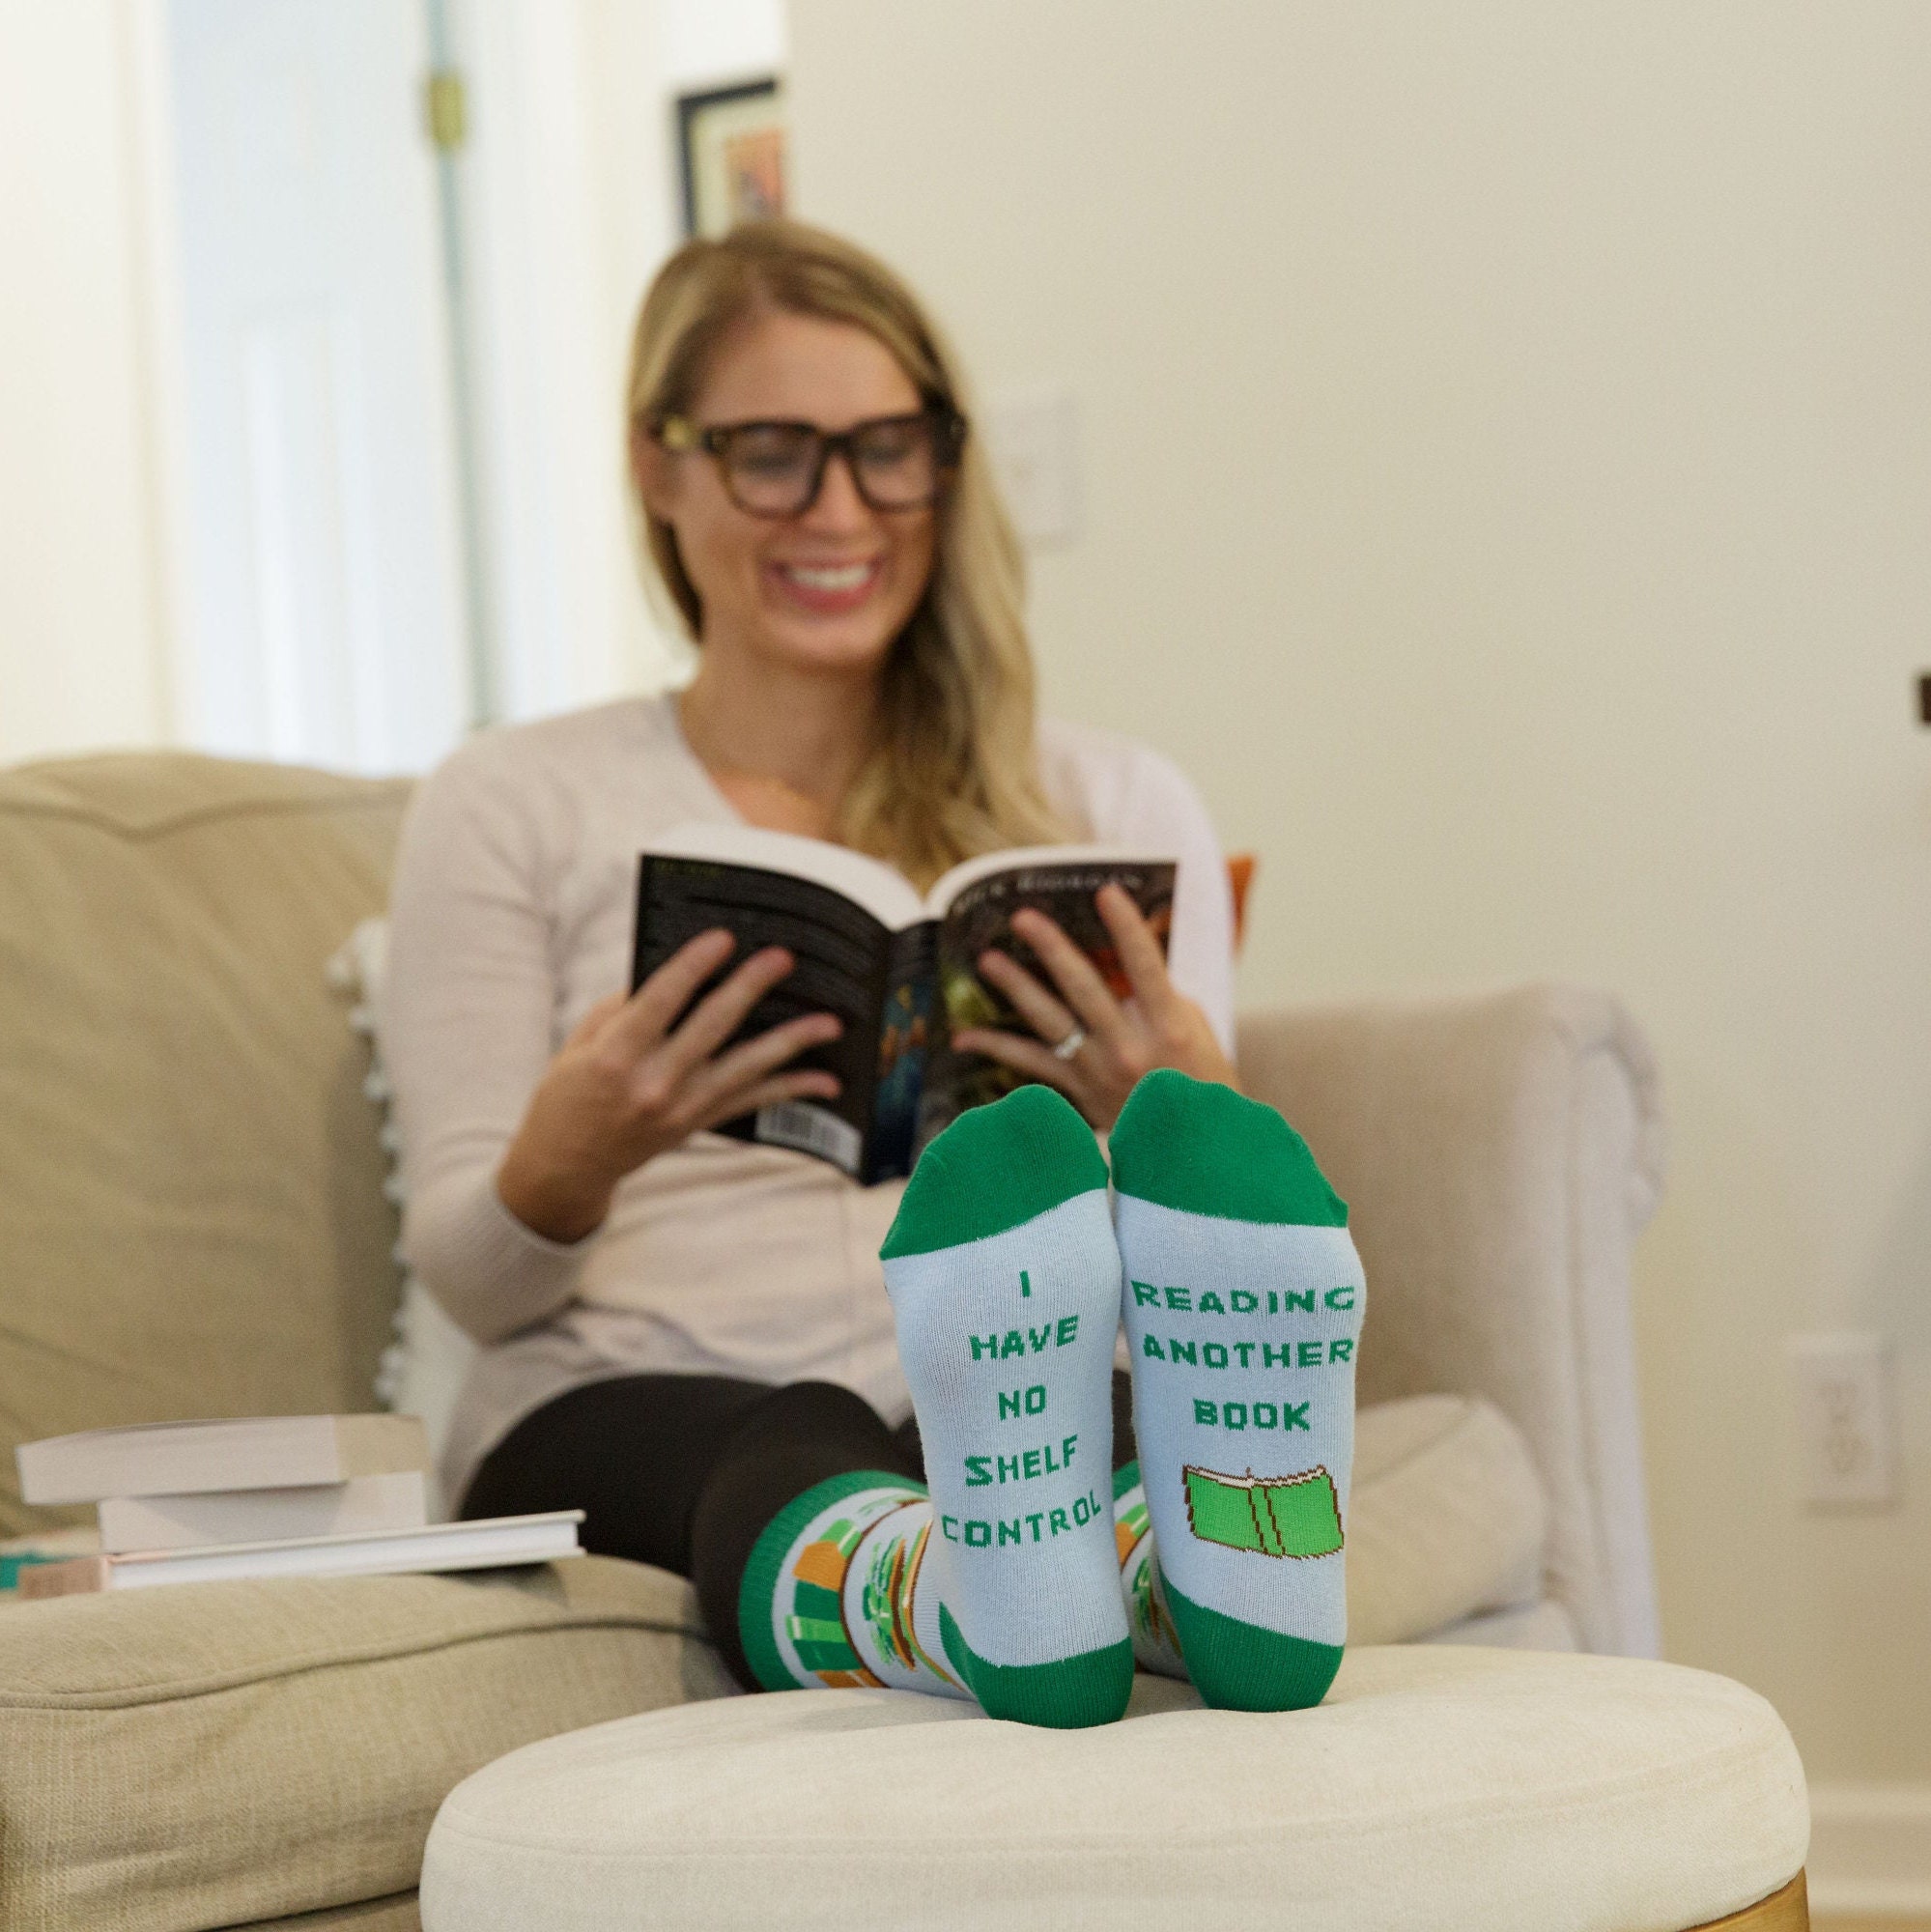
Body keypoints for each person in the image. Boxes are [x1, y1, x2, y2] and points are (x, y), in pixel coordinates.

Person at [383, 221, 1355, 1720]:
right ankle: (992, 1595)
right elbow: (474, 1280)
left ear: (946, 466)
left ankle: (1173, 1568)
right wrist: (568, 1159)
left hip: (1002, 1382)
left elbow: (1186, 1144)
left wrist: (1169, 1100)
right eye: (772, 452)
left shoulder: (1113, 806)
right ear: (662, 469)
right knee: (802, 1428)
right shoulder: (513, 800)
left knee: (1045, 1414)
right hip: (625, 1403)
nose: (838, 508)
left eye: (888, 448)